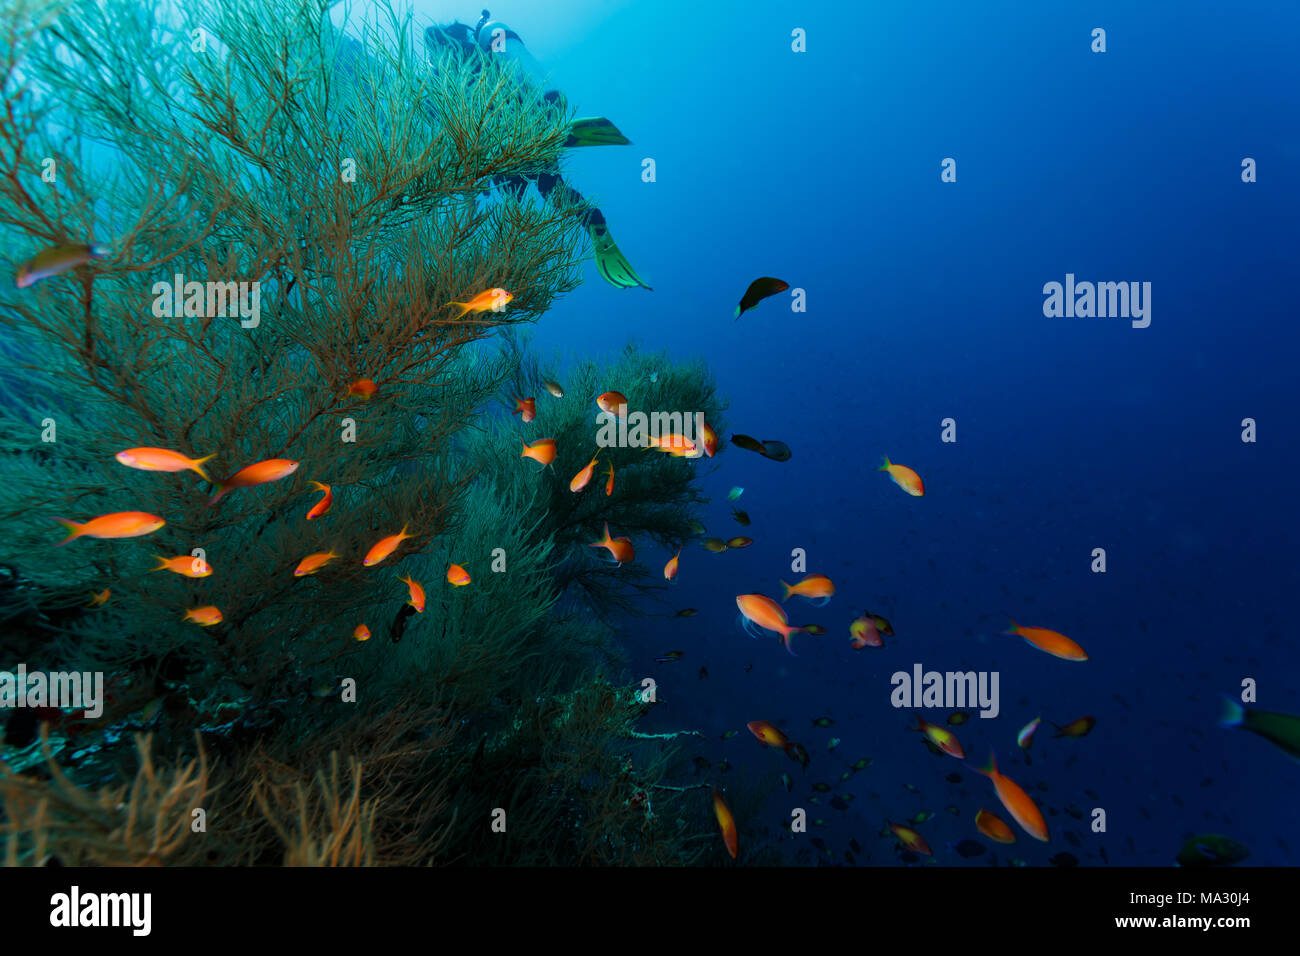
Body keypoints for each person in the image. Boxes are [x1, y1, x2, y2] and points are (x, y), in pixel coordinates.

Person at [425, 11, 651, 291]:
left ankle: (509, 271)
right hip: (530, 131)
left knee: (518, 203)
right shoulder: (480, 53)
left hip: (502, 153)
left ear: (438, 49)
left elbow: (453, 136)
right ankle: (592, 219)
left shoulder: (447, 78)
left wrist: (469, 185)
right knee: (551, 189)